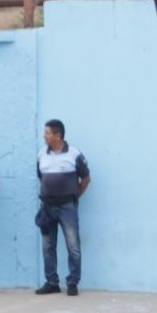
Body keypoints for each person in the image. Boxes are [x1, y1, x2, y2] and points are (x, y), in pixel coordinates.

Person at [34, 119, 88, 296]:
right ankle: (52, 282)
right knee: (48, 246)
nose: (44, 135)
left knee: (73, 246)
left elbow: (86, 179)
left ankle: (73, 282)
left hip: (67, 207)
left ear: (58, 135)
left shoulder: (74, 154)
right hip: (47, 207)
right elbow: (41, 177)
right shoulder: (42, 154)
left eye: (47, 133)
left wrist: (73, 196)